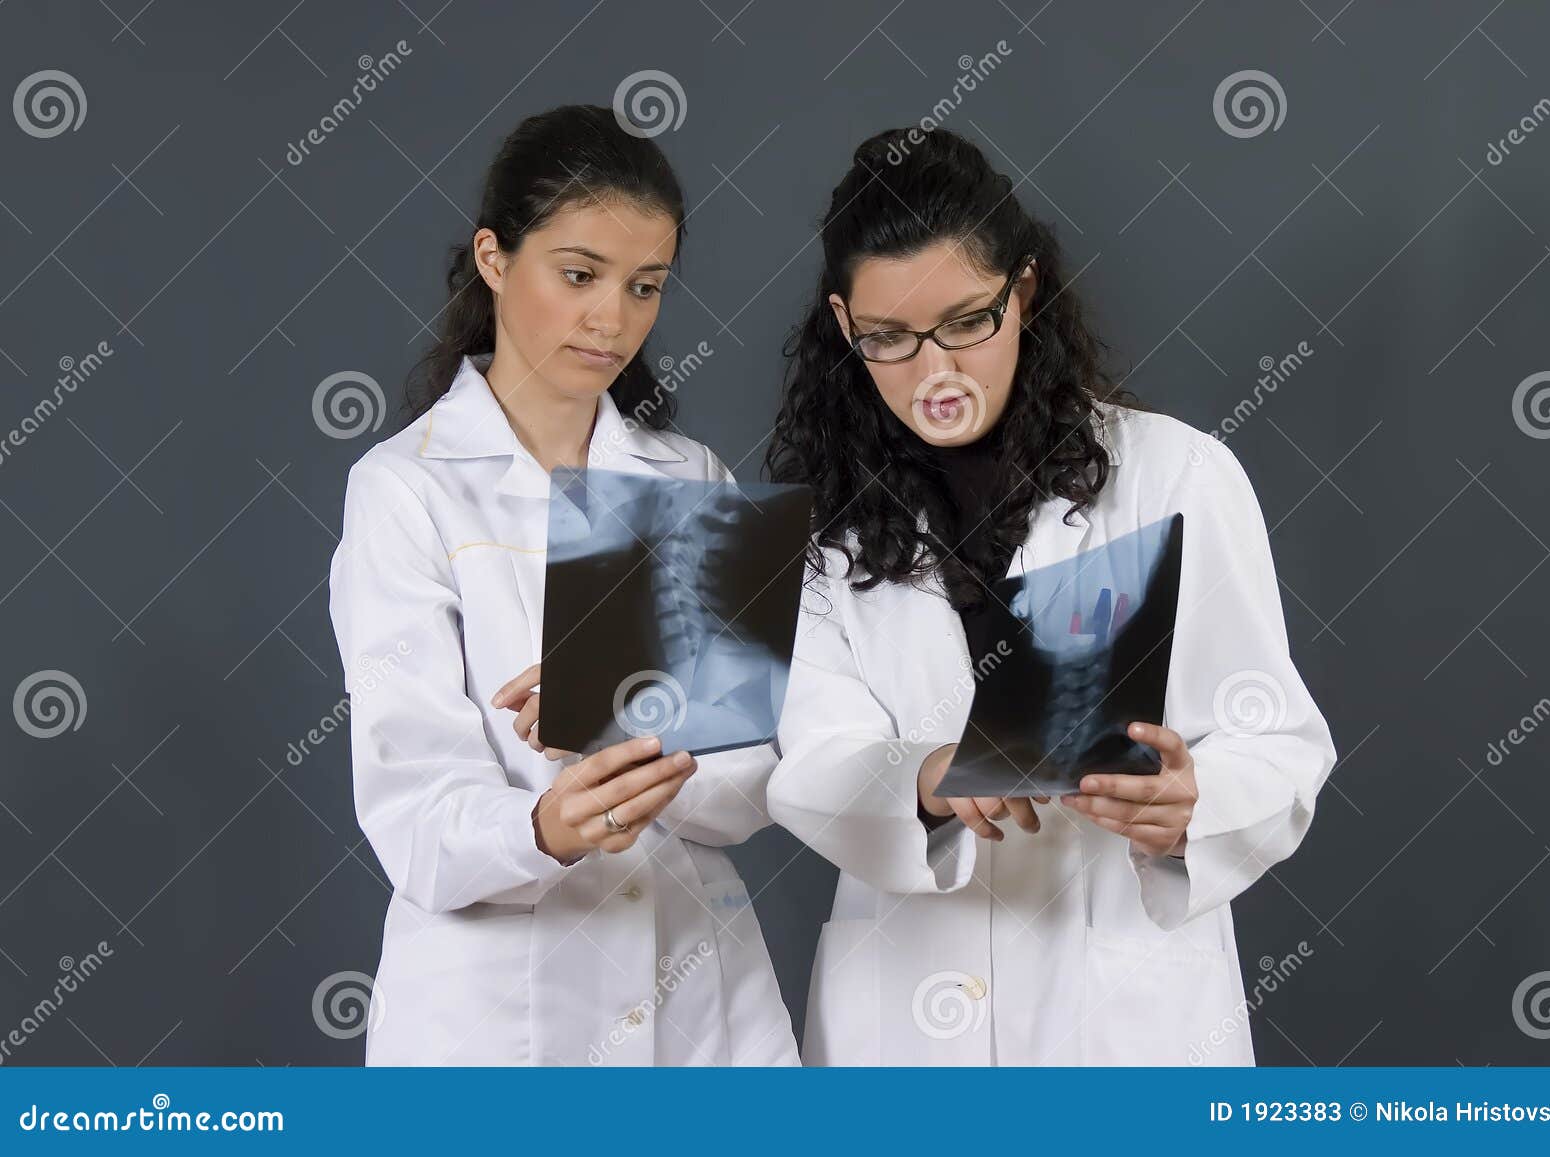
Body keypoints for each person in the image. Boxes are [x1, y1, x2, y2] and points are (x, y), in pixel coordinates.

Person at [764, 126, 1337, 1066]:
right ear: (842, 323)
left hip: (1121, 1023)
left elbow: (1277, 737)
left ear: (1022, 291)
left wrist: (1196, 802)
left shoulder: (1176, 474)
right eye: (889, 338)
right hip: (904, 1030)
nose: (933, 368)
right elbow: (811, 761)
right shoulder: (823, 531)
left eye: (966, 321)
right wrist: (925, 778)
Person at [329, 105, 797, 1066]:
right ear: (495, 257)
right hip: (494, 1014)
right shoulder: (406, 485)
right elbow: (411, 804)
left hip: (696, 999)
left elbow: (750, 779)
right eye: (579, 275)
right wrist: (543, 824)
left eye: (645, 286)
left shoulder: (689, 475)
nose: (612, 319)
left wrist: (633, 727)